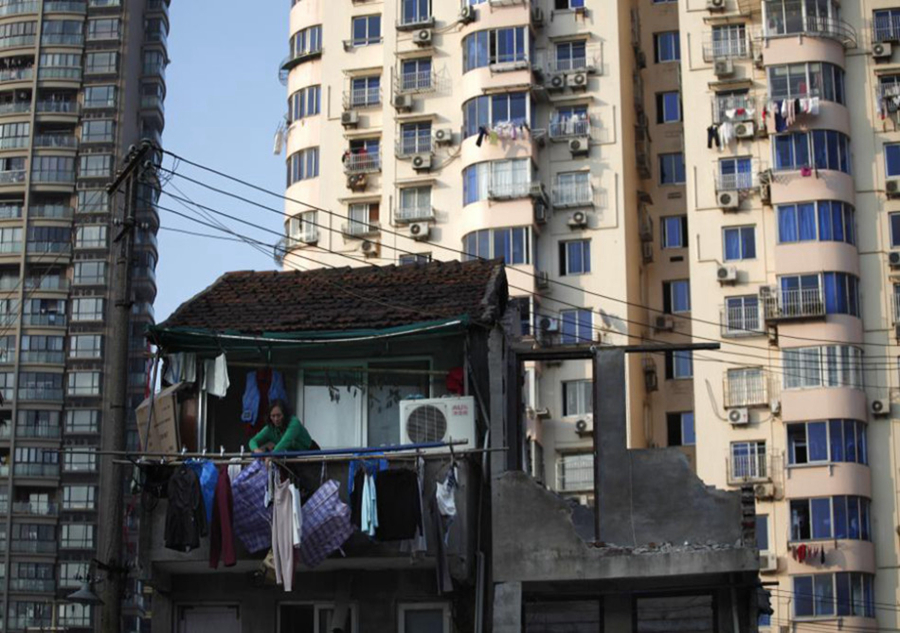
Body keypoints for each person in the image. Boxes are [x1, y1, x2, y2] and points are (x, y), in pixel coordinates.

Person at [249, 399, 316, 454]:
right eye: (273, 416)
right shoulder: (269, 428)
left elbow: (286, 441)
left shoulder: (294, 422)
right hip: (290, 457)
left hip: (310, 453)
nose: (276, 419)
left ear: (284, 414)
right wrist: (256, 449)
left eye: (278, 415)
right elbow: (253, 441)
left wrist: (271, 455)